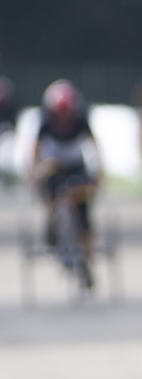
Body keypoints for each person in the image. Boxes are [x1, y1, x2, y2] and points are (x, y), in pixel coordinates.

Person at [30, 79, 103, 287]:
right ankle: (53, 223)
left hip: (76, 168)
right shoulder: (44, 124)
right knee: (50, 188)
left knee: (83, 208)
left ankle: (87, 258)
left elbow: (95, 148)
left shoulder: (81, 121)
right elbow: (34, 154)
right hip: (53, 168)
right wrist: (36, 173)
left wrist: (98, 176)